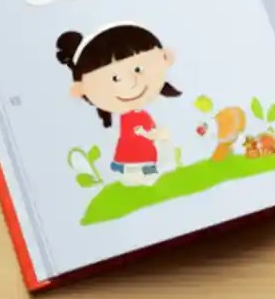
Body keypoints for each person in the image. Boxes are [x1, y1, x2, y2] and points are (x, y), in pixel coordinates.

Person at [55, 22, 182, 186]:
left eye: (137, 70)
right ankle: (142, 179)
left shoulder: (136, 115)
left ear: (165, 57)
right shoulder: (130, 118)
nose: (132, 84)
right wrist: (155, 135)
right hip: (134, 158)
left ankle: (145, 177)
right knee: (145, 171)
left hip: (138, 157)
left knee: (151, 168)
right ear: (81, 89)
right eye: (115, 79)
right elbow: (138, 135)